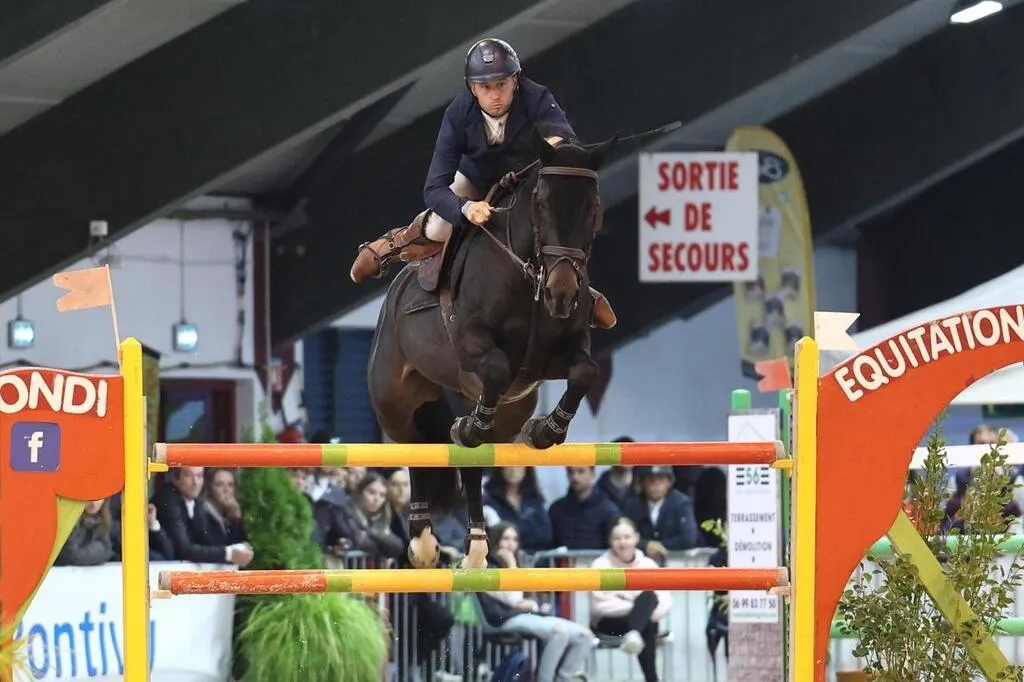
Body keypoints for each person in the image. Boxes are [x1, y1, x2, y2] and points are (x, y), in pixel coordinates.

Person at [348, 37, 616, 330]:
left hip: (524, 183)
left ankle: (579, 291)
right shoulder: (458, 112)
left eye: (501, 84)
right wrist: (465, 208)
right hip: (474, 180)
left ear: (515, 81)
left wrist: (558, 143)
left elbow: (567, 138)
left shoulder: (536, 96)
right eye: (485, 87)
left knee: (558, 220)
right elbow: (434, 188)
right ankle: (394, 244)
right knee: (440, 227)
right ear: (472, 88)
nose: (495, 95)